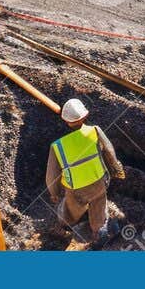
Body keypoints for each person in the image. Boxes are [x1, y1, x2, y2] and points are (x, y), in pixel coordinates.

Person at [46, 98, 126, 246]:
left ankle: (65, 227)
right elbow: (109, 151)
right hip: (99, 183)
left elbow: (52, 176)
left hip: (76, 189)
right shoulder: (95, 131)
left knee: (69, 211)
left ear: (66, 120)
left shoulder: (57, 146)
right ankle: (98, 231)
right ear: (85, 116)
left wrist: (54, 193)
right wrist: (116, 170)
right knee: (99, 206)